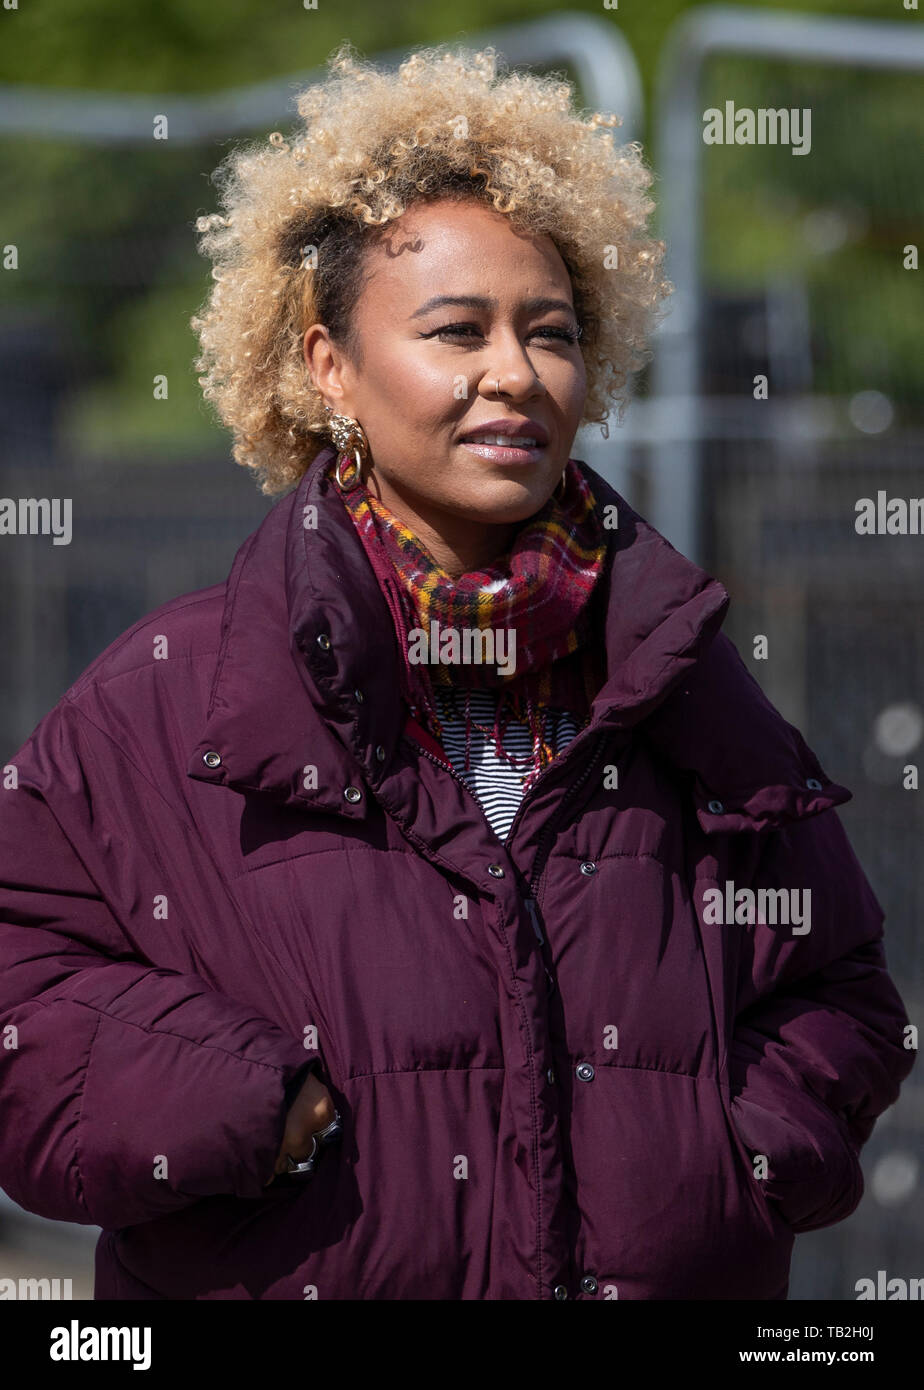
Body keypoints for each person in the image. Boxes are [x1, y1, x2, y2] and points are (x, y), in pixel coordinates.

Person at [0, 41, 914, 1302]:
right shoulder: (170, 692)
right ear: (327, 366)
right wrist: (245, 1106)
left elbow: (842, 986)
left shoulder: (676, 672)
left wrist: (732, 1153)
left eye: (550, 333)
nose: (514, 374)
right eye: (455, 330)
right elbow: (24, 992)